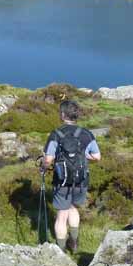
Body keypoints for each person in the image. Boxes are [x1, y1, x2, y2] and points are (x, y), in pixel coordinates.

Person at [41, 100, 100, 252]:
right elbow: (97, 156)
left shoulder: (56, 134)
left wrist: (44, 167)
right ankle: (74, 243)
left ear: (62, 115)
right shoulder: (86, 133)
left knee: (62, 215)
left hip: (62, 180)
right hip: (81, 180)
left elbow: (48, 159)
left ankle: (60, 251)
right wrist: (84, 156)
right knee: (73, 208)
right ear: (76, 115)